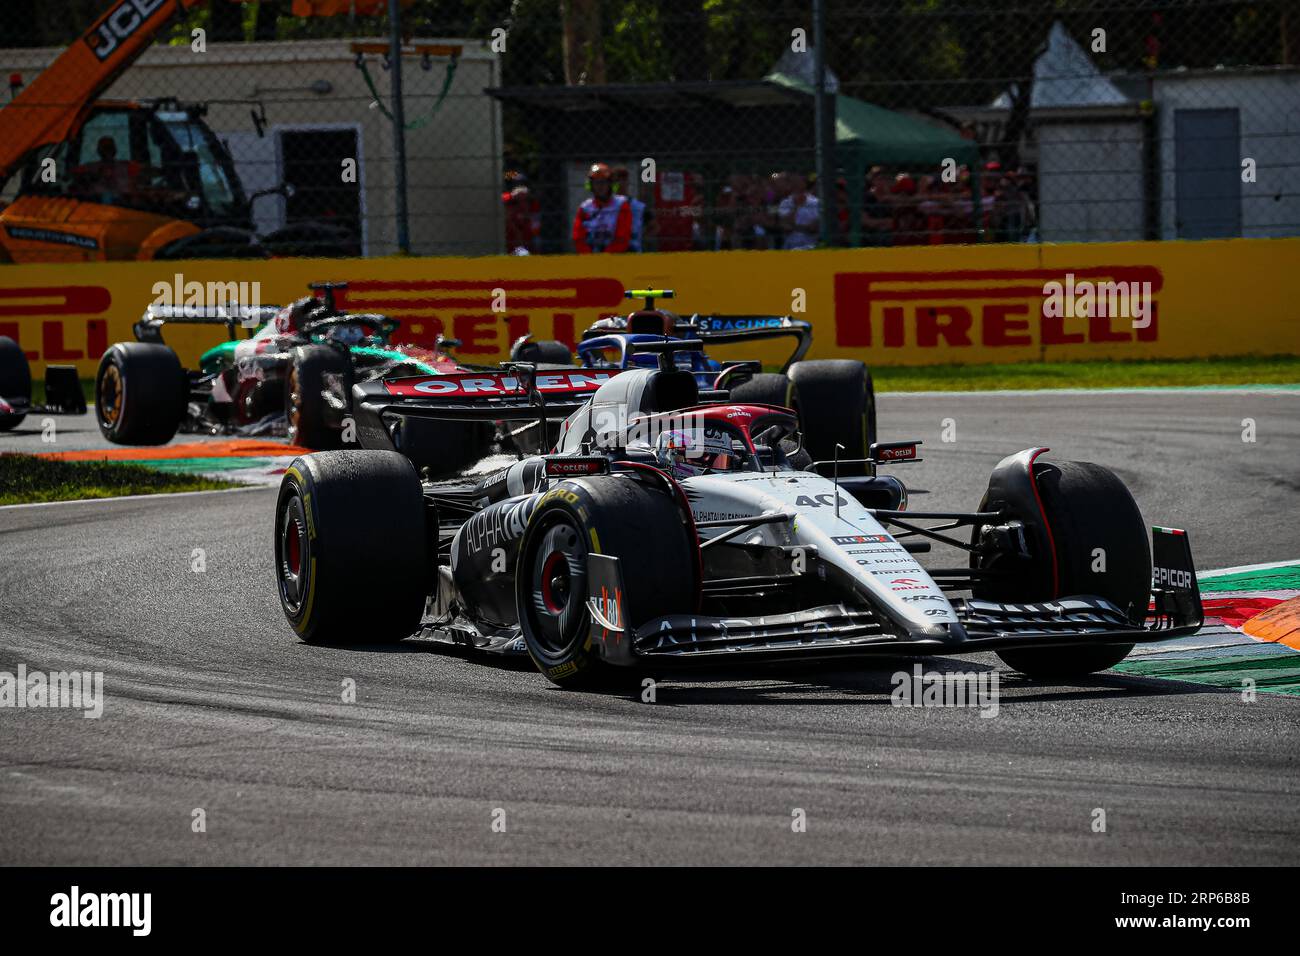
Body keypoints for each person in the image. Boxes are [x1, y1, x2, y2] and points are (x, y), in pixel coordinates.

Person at [572, 162, 632, 254]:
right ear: (591, 185)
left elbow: (622, 238)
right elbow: (578, 238)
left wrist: (605, 257)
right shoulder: (585, 208)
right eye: (596, 182)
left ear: (610, 184)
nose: (600, 186)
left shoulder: (621, 205)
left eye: (604, 182)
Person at [611, 165, 651, 252]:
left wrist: (640, 236)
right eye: (617, 180)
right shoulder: (606, 206)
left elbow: (653, 225)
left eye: (623, 180)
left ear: (627, 182)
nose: (620, 183)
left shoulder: (638, 206)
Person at [777, 173, 820, 250]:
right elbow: (786, 228)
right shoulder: (785, 203)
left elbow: (813, 228)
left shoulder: (816, 202)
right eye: (794, 181)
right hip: (790, 247)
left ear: (805, 182)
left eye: (799, 180)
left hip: (811, 246)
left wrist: (794, 227)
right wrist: (796, 206)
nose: (797, 184)